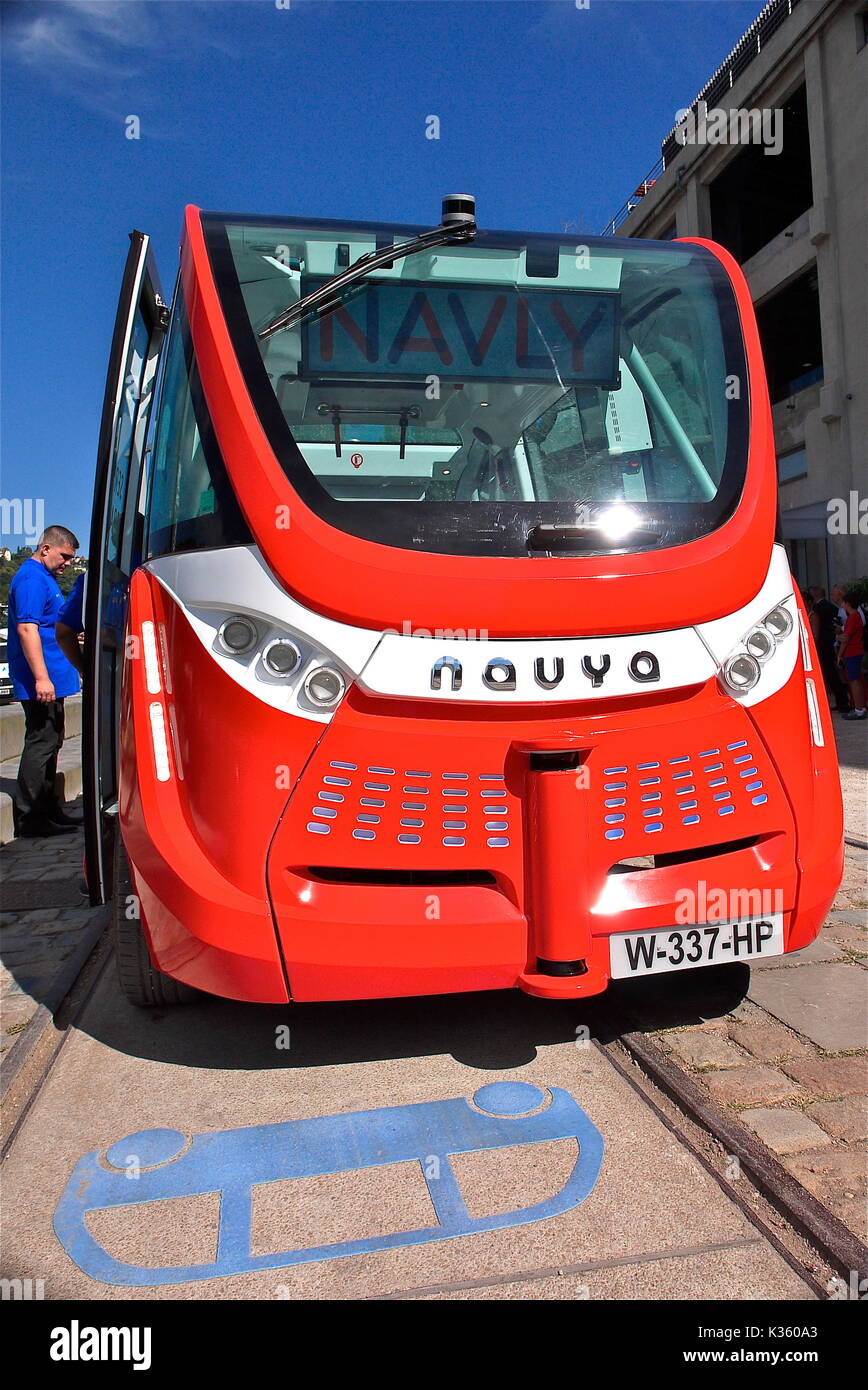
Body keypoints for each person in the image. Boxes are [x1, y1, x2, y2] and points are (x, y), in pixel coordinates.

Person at [8, 526, 81, 836]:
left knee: (51, 742)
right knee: (41, 743)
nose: (67, 563)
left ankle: (49, 810)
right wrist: (41, 677)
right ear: (46, 548)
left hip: (54, 677)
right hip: (42, 680)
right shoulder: (30, 579)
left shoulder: (46, 579)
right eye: (65, 555)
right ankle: (32, 818)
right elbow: (27, 630)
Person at [808, 585, 850, 713]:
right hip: (830, 643)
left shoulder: (818, 609)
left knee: (832, 674)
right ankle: (842, 701)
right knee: (833, 674)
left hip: (826, 645)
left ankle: (843, 702)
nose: (833, 596)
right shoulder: (832, 607)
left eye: (834, 594)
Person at [835, 590, 866, 721]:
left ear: (848, 603)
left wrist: (839, 654)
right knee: (856, 680)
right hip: (856, 650)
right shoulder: (857, 616)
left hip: (852, 652)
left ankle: (859, 709)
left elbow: (846, 638)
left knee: (854, 681)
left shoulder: (853, 617)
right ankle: (860, 707)